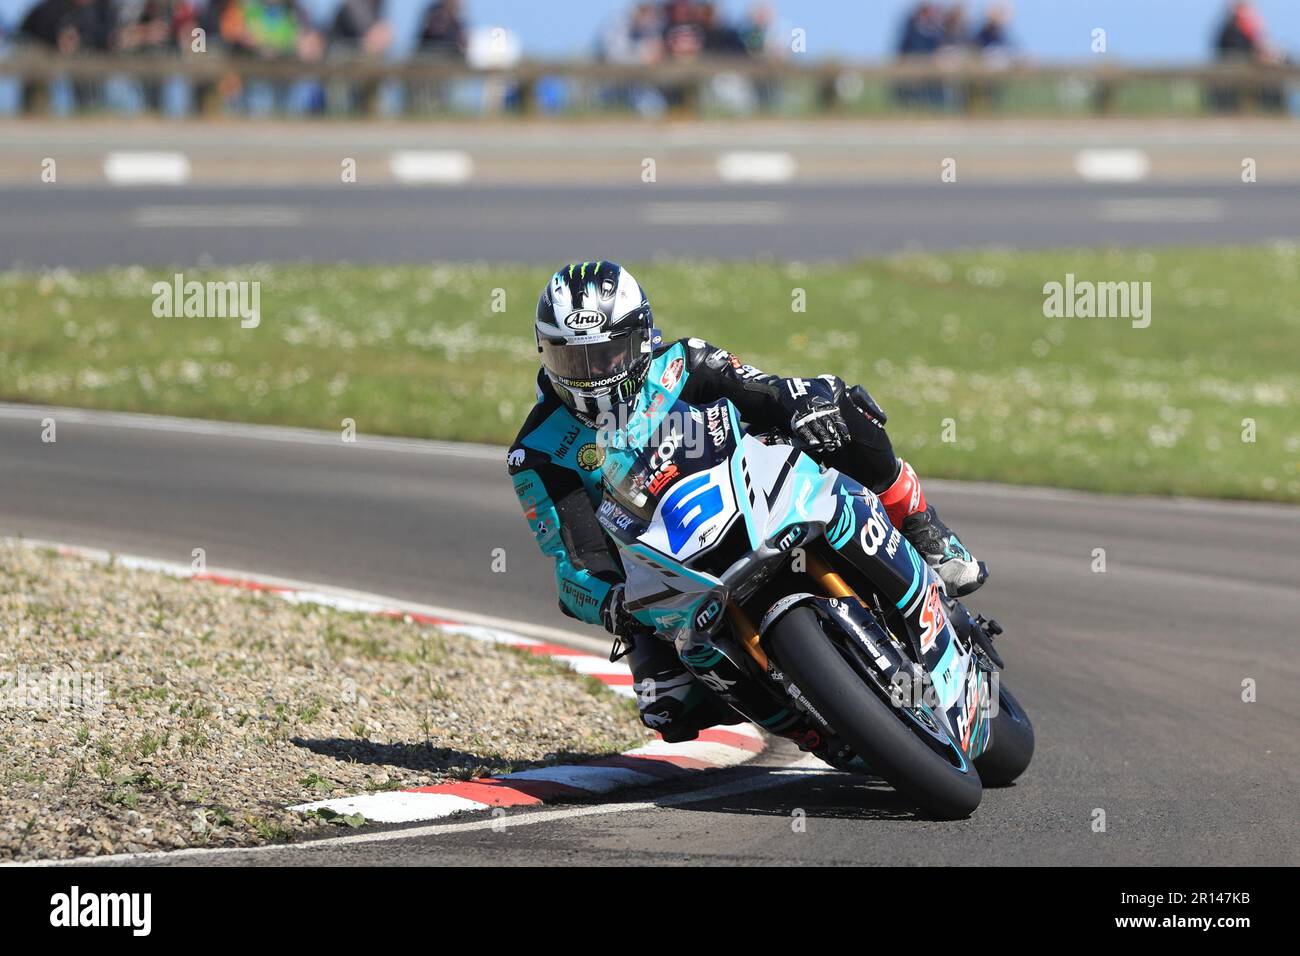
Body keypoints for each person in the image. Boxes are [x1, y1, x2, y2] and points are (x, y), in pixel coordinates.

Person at [507, 261, 987, 750]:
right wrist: (609, 604)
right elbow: (573, 561)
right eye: (574, 362)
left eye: (608, 355)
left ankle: (925, 527)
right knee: (667, 708)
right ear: (544, 353)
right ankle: (813, 728)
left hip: (754, 491)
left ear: (642, 337)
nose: (592, 376)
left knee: (840, 408)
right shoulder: (537, 450)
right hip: (660, 570)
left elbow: (762, 389)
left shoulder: (683, 361)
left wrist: (803, 402)